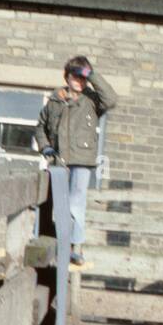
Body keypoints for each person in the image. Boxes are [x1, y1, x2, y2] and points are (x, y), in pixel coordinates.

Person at [34, 55, 118, 266]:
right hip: (59, 160)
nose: (79, 82)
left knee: (76, 204)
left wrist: (92, 74)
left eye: (83, 78)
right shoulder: (55, 100)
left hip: (82, 160)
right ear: (68, 77)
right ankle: (58, 245)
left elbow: (111, 99)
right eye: (76, 77)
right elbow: (40, 126)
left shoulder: (91, 100)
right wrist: (45, 146)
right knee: (59, 205)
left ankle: (74, 248)